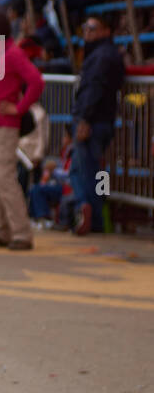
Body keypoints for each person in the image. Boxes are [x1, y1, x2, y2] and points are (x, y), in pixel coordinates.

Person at [0, 8, 44, 250]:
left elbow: (36, 81)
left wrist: (19, 107)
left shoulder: (12, 53)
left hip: (2, 125)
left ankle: (21, 232)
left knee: (3, 177)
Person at [63, 12, 127, 234]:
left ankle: (85, 208)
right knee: (97, 172)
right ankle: (96, 219)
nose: (87, 33)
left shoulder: (101, 56)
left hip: (93, 121)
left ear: (106, 31)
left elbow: (94, 88)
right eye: (85, 28)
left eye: (92, 28)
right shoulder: (106, 54)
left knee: (82, 170)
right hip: (101, 120)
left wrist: (85, 119)